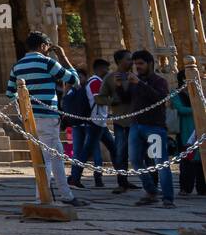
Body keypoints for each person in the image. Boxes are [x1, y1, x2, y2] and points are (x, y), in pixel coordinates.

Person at [9, 31, 87, 207]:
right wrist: (63, 56)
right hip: (47, 116)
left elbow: (9, 93)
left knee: (56, 155)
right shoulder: (47, 62)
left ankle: (66, 194)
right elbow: (74, 80)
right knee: (46, 158)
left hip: (30, 118)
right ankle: (41, 197)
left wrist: (25, 105)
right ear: (44, 46)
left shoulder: (17, 66)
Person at [121, 50, 175, 208]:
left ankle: (168, 198)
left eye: (141, 64)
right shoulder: (135, 81)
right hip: (136, 126)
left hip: (154, 128)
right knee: (136, 160)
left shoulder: (159, 81)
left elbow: (159, 99)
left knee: (160, 163)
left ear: (150, 64)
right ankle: (151, 191)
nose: (138, 67)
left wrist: (140, 84)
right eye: (136, 64)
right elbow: (126, 99)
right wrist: (120, 86)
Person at [70, 58, 116, 188]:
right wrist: (115, 101)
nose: (108, 71)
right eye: (106, 69)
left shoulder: (96, 81)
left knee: (113, 148)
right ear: (100, 69)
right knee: (87, 151)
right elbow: (98, 99)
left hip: (100, 122)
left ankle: (122, 179)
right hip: (95, 122)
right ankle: (76, 178)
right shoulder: (95, 82)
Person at [95, 50, 134, 193]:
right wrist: (114, 101)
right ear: (119, 61)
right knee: (120, 152)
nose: (131, 62)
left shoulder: (136, 77)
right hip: (121, 122)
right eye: (128, 59)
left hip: (138, 120)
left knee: (144, 153)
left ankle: (150, 183)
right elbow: (99, 98)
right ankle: (122, 182)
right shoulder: (110, 78)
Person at [171, 83, 204, 196]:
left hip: (199, 129)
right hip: (185, 130)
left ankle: (202, 188)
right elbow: (180, 109)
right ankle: (185, 188)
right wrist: (197, 109)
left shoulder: (200, 91)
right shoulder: (176, 94)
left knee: (201, 160)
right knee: (187, 161)